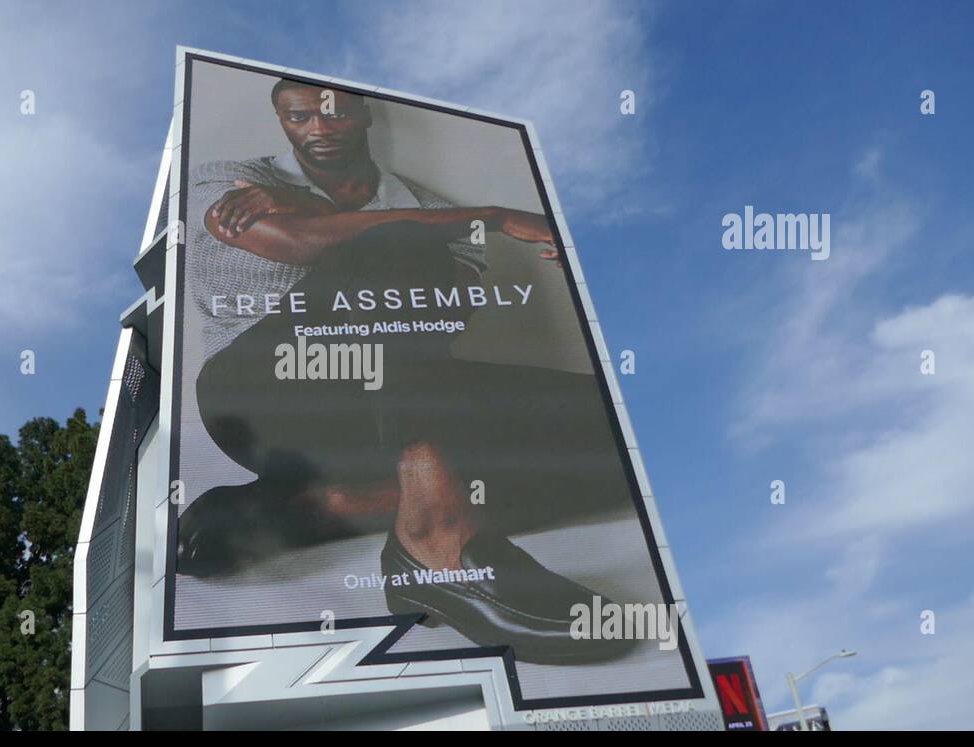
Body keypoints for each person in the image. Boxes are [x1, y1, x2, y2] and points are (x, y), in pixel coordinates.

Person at [178, 80, 634, 664]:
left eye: (337, 113)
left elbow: (435, 322)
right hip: (263, 400)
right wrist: (494, 216)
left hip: (386, 412)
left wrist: (326, 210)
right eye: (300, 117)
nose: (319, 129)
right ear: (281, 120)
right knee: (401, 242)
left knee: (620, 428)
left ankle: (320, 509)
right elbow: (294, 242)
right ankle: (438, 541)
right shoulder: (227, 176)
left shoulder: (438, 213)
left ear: (365, 115)